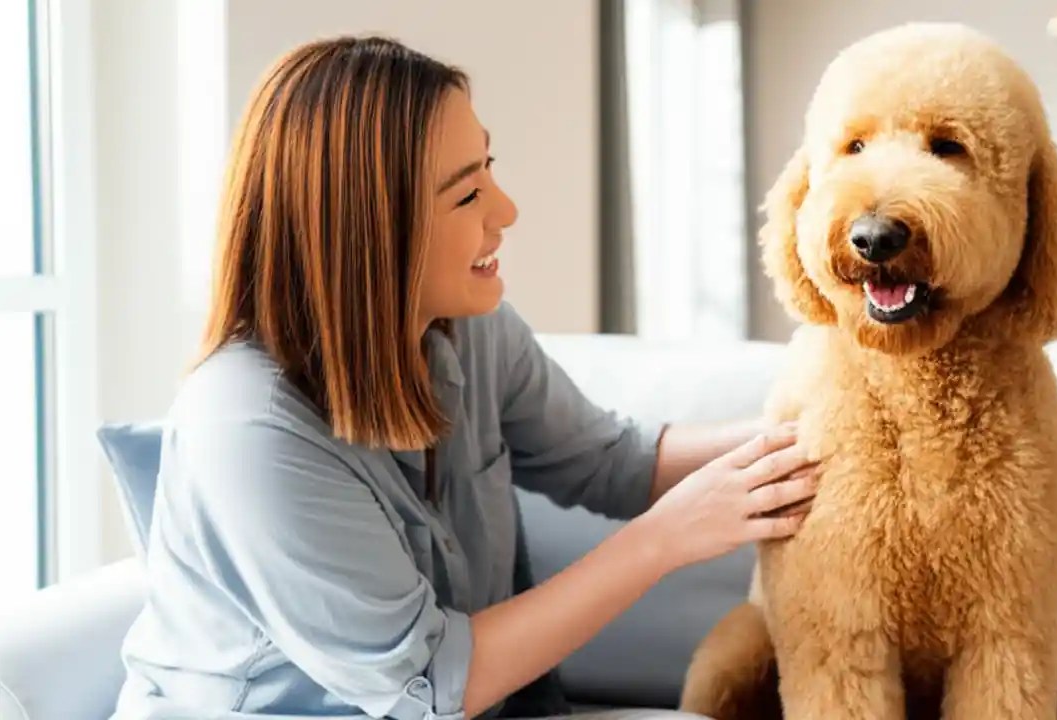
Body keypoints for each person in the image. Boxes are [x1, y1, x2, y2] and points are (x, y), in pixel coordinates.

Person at [111, 36, 817, 720]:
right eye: (465, 195)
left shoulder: (469, 329)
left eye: (489, 168)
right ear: (370, 231)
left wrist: (827, 432)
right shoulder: (249, 429)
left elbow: (612, 462)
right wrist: (664, 539)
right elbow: (430, 684)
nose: (505, 212)